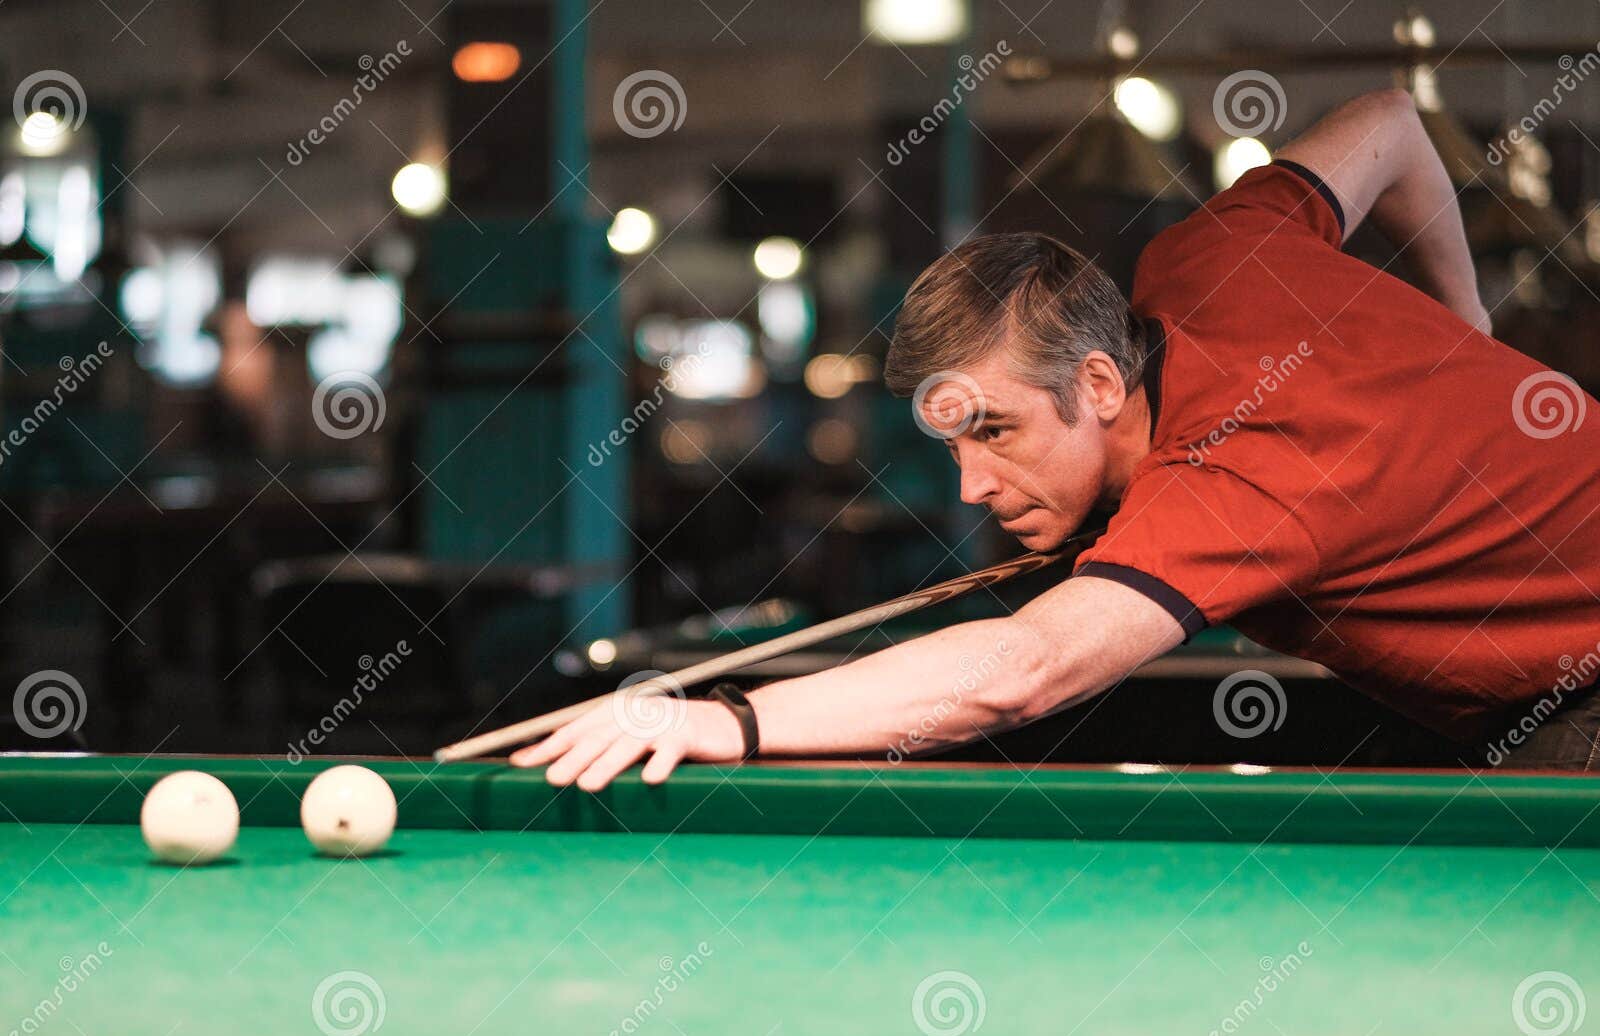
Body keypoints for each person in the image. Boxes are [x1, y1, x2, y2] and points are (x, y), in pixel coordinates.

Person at [513, 87, 1600, 786]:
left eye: (995, 431)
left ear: (1095, 380)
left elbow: (1021, 669)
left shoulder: (1233, 482)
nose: (974, 485)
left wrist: (729, 724)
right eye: (952, 444)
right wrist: (1469, 320)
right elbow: (1395, 123)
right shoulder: (1207, 255)